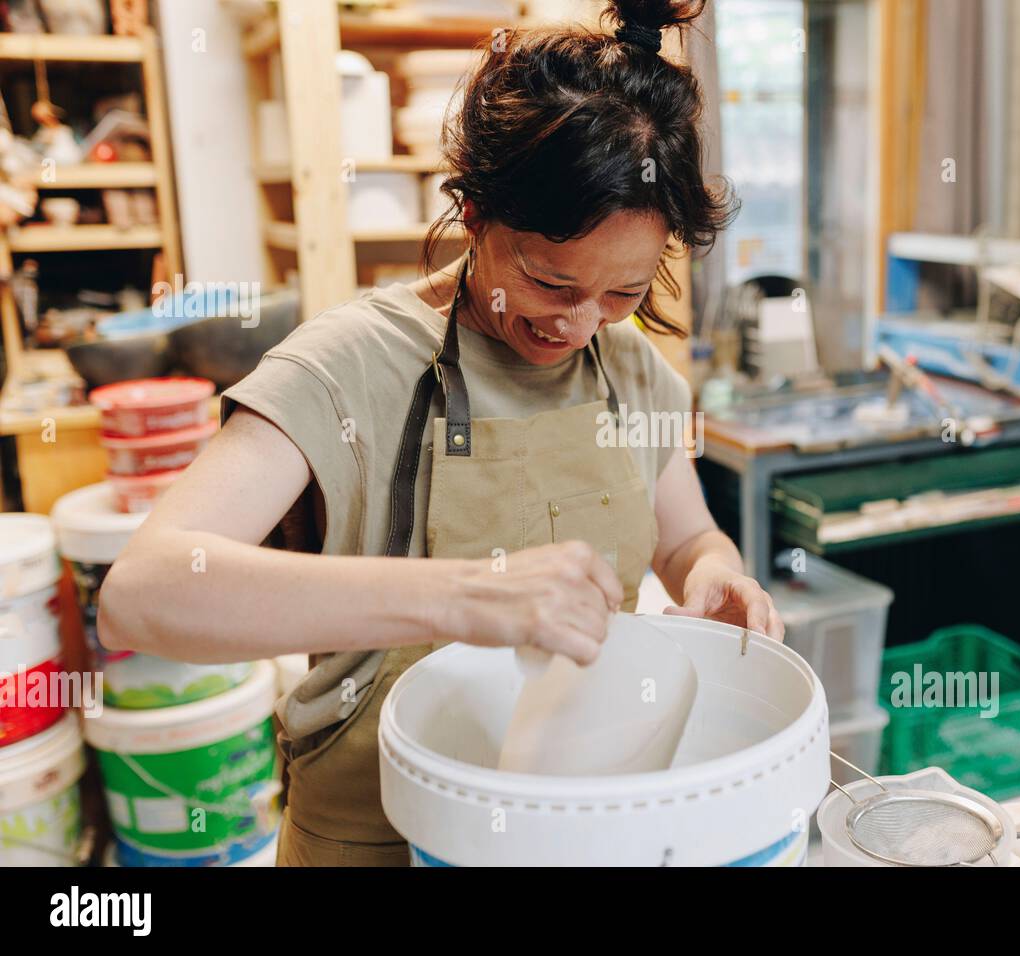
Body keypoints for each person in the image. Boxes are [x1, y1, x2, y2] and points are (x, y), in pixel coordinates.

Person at [98, 0, 784, 867]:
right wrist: (466, 595)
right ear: (473, 213)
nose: (580, 324)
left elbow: (687, 536)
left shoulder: (634, 372)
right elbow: (144, 591)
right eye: (549, 280)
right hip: (375, 836)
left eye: (624, 292)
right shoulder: (350, 366)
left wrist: (717, 575)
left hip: (576, 836)